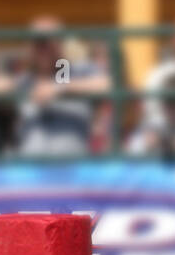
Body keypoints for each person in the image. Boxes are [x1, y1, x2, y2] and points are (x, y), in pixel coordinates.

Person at [12, 17, 109, 156]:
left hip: (72, 170)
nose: (43, 50)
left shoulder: (76, 71)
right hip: (31, 172)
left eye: (48, 44)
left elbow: (109, 83)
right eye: (37, 44)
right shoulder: (24, 80)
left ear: (60, 44)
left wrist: (60, 87)